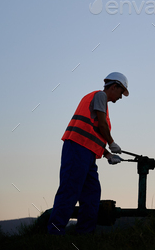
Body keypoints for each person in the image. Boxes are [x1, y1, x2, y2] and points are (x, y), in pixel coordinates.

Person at [47, 72, 129, 235]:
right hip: (77, 148)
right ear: (114, 86)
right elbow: (102, 125)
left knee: (91, 193)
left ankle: (85, 234)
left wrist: (108, 155)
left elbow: (94, 133)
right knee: (70, 189)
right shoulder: (100, 96)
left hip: (87, 153)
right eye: (121, 92)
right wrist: (112, 143)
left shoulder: (100, 100)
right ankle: (54, 233)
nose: (121, 97)